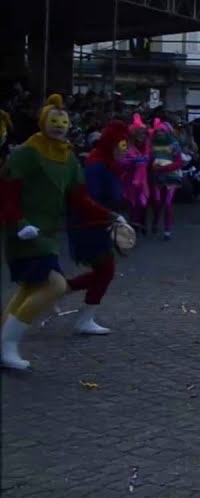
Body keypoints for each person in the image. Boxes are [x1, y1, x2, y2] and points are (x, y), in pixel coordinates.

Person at [1, 95, 120, 370]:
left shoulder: (68, 158)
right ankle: (8, 345)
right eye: (54, 120)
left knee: (32, 287)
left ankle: (4, 341)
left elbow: (80, 199)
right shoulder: (27, 152)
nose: (59, 126)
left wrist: (110, 216)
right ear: (43, 122)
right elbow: (7, 191)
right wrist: (19, 223)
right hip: (24, 233)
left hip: (47, 233)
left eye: (64, 122)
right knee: (55, 286)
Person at [65, 119, 130, 335]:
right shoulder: (97, 166)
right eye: (122, 145)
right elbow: (87, 200)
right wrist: (111, 215)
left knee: (104, 271)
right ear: (112, 144)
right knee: (105, 271)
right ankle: (68, 300)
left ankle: (61, 292)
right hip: (89, 226)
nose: (126, 149)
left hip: (98, 224)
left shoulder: (106, 163)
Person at [148, 119, 183, 241]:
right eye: (157, 131)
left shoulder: (174, 145)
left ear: (167, 132)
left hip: (171, 177)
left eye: (162, 131)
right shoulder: (151, 145)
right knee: (157, 202)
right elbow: (148, 161)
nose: (159, 133)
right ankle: (156, 220)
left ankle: (167, 229)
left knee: (168, 203)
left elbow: (179, 162)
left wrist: (164, 168)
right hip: (156, 178)